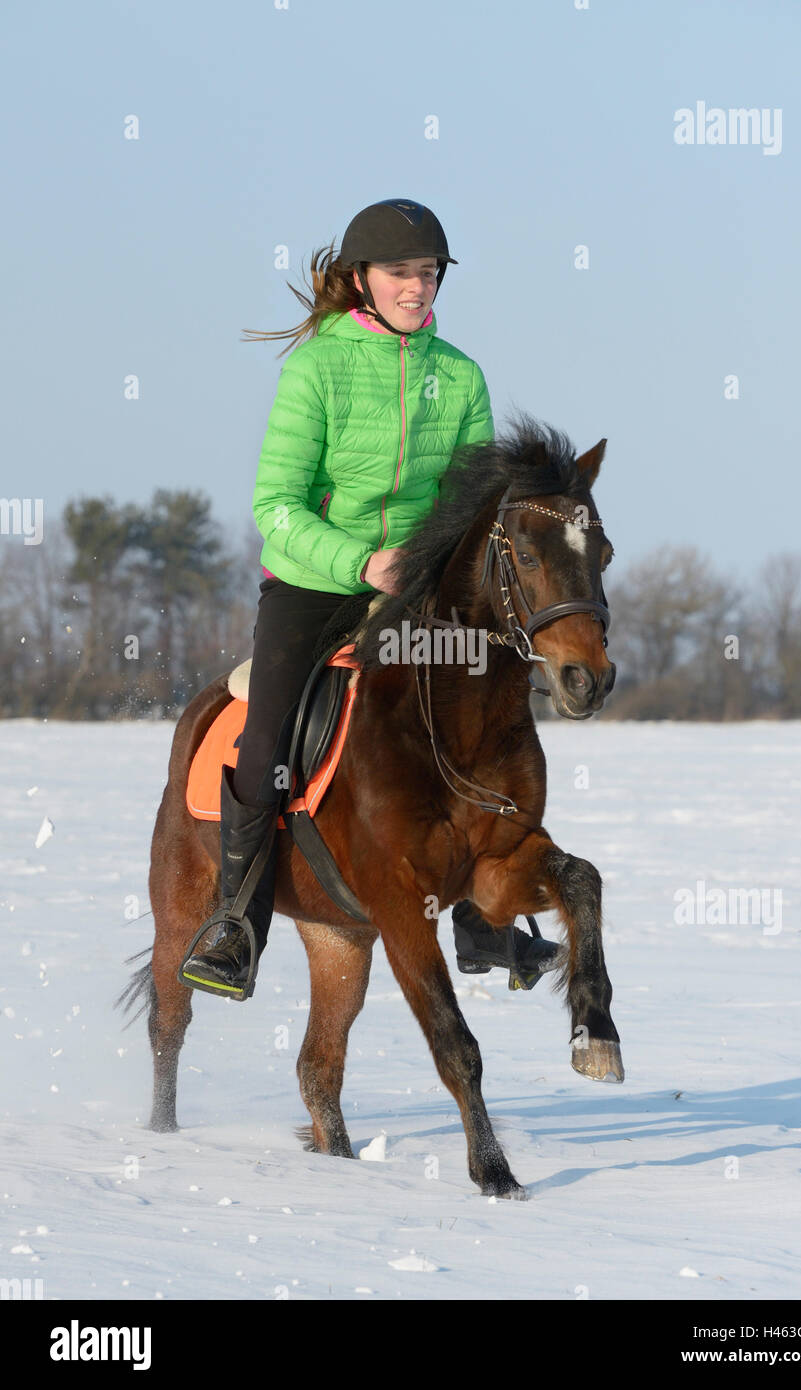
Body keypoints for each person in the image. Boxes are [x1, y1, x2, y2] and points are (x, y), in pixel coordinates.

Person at [180, 198, 559, 1000]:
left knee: (480, 715)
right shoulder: (316, 368)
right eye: (400, 273)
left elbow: (471, 506)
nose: (417, 288)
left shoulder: (459, 375)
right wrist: (361, 562)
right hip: (314, 586)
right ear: (361, 280)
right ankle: (236, 921)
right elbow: (275, 505)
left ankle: (483, 920)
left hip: (417, 598)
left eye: (428, 273)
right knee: (268, 735)